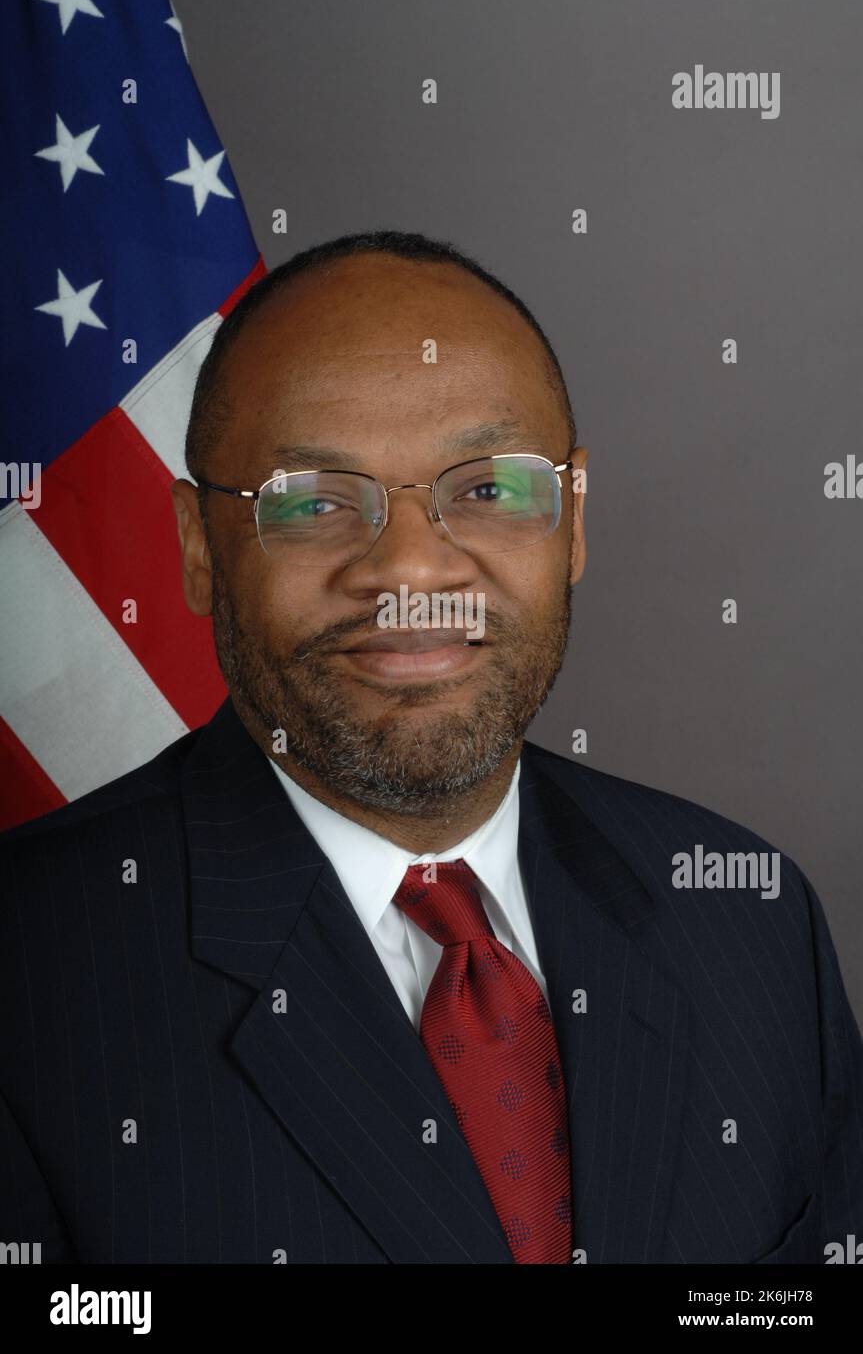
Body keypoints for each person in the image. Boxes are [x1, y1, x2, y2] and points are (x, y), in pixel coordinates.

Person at [1, 230, 860, 1265]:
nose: (409, 568)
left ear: (571, 520)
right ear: (196, 547)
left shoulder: (747, 921)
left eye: (488, 489)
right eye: (314, 499)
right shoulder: (35, 980)